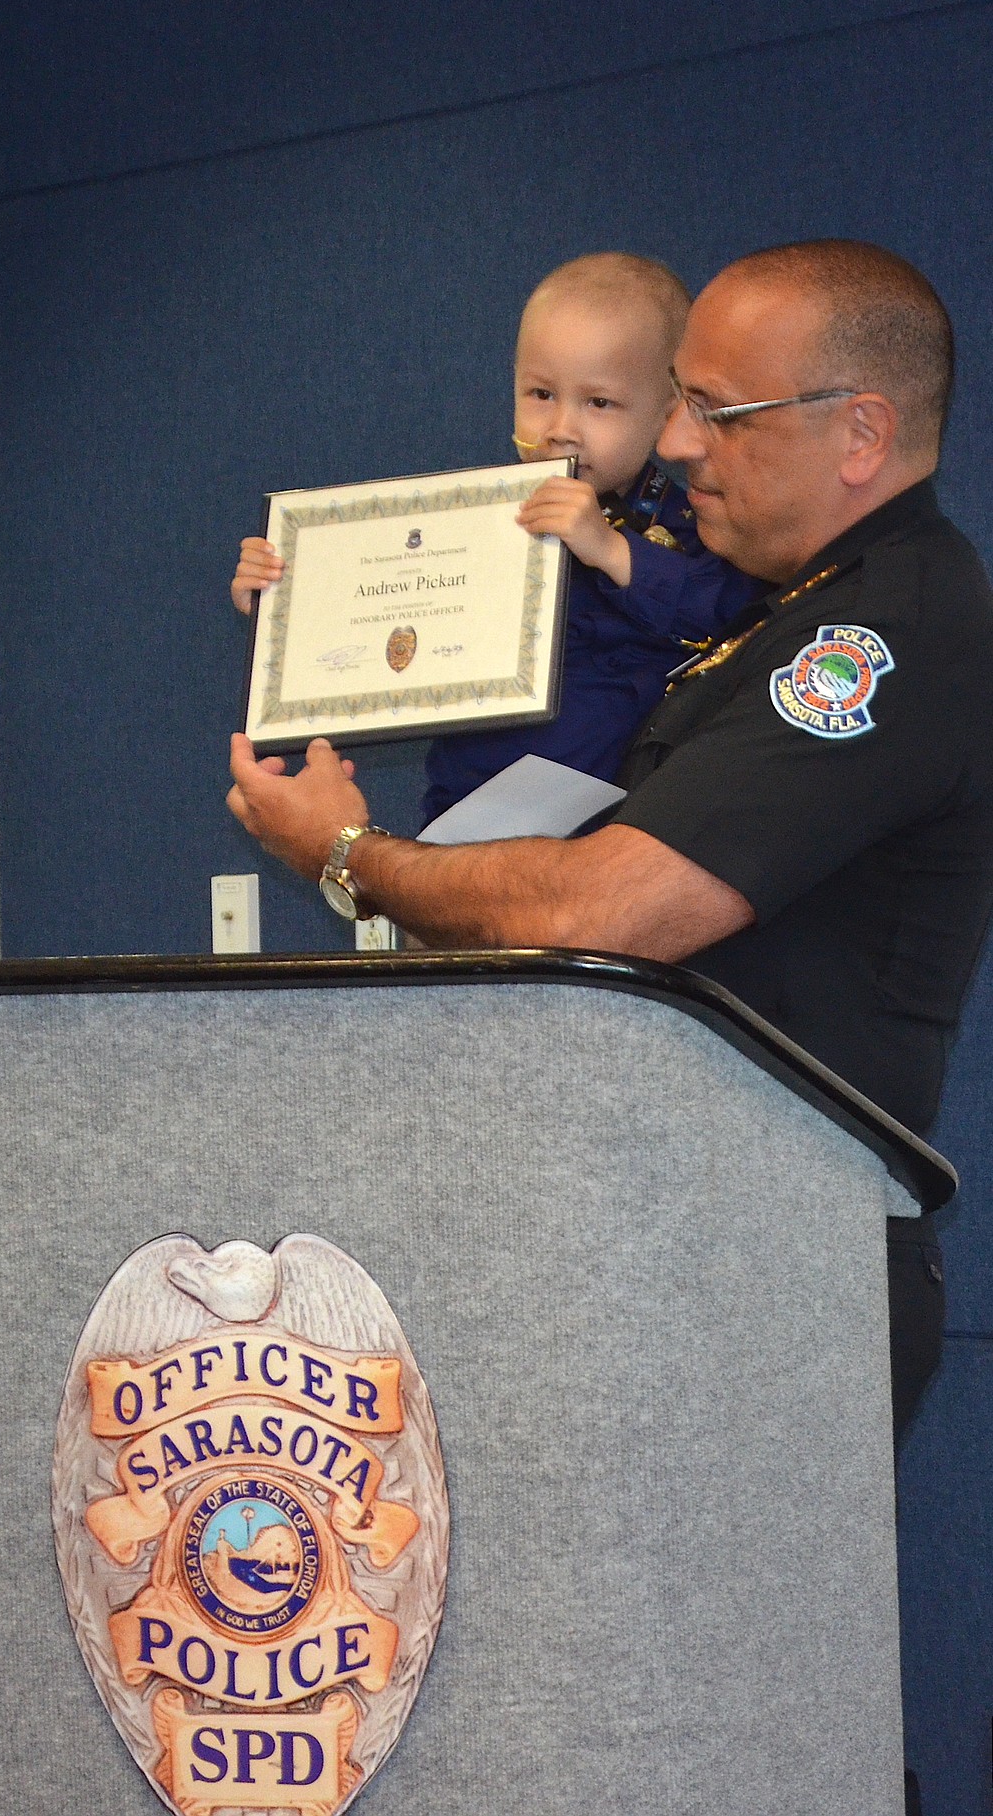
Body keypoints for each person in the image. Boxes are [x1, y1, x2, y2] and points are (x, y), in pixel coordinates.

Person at [228, 238, 993, 1436]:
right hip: (663, 1235)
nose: (678, 442)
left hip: (774, 1263)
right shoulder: (767, 615)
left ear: (861, 435)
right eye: (679, 401)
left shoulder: (884, 631)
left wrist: (350, 855)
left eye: (719, 411)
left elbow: (610, 913)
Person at [231, 254, 762, 825]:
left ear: (667, 415)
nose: (561, 426)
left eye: (599, 403)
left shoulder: (692, 523)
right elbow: (385, 615)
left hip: (613, 827)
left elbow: (738, 617)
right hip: (464, 815)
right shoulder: (474, 524)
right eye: (540, 394)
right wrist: (285, 591)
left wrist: (613, 552)